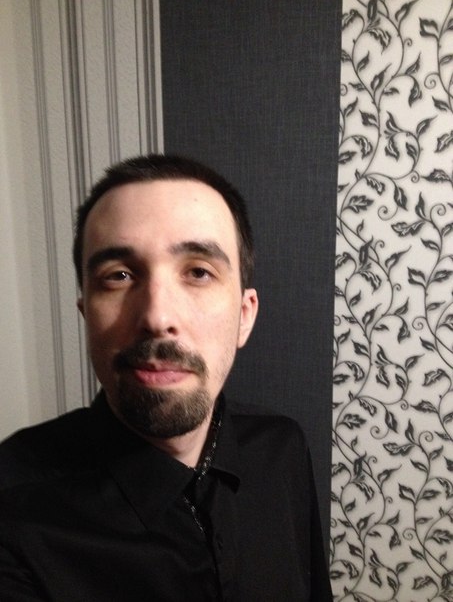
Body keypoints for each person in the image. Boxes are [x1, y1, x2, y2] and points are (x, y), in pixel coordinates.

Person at [0, 154, 332, 601]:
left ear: (244, 315)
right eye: (118, 276)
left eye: (198, 272)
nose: (157, 317)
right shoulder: (13, 508)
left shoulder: (282, 449)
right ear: (87, 315)